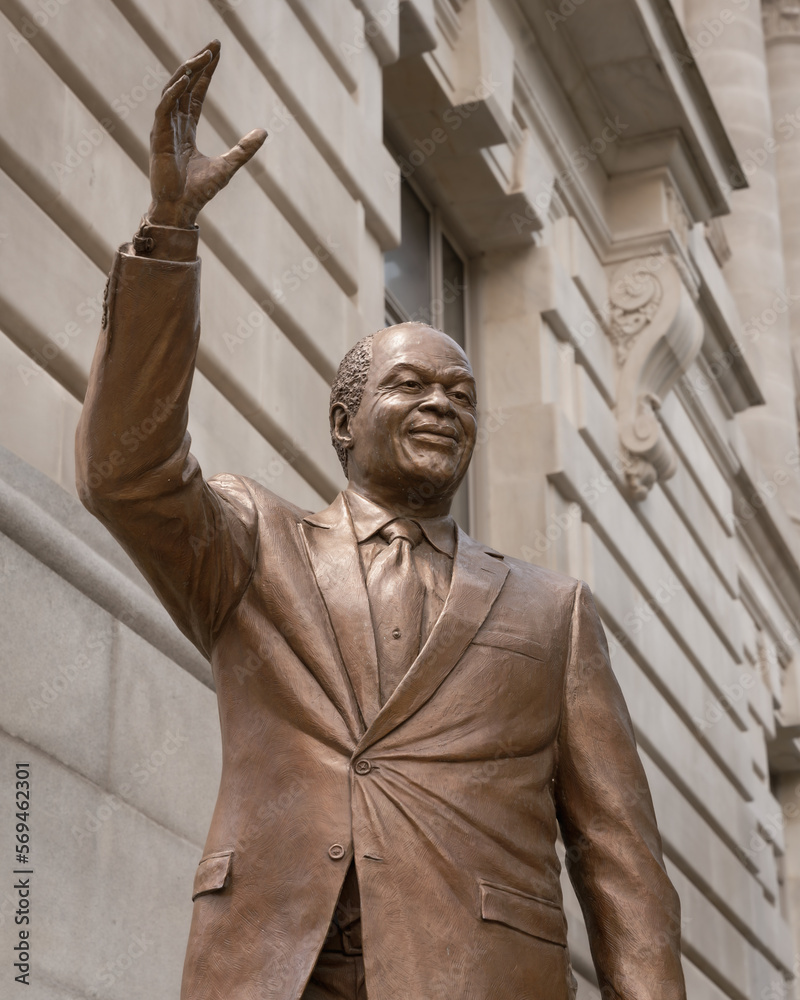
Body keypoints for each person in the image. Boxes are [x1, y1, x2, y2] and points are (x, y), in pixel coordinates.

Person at [76, 40, 687, 1000]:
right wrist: (168, 233)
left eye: (463, 392)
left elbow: (623, 864)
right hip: (278, 968)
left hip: (479, 974)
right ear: (342, 421)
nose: (444, 403)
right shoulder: (251, 547)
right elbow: (124, 472)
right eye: (410, 385)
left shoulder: (554, 613)